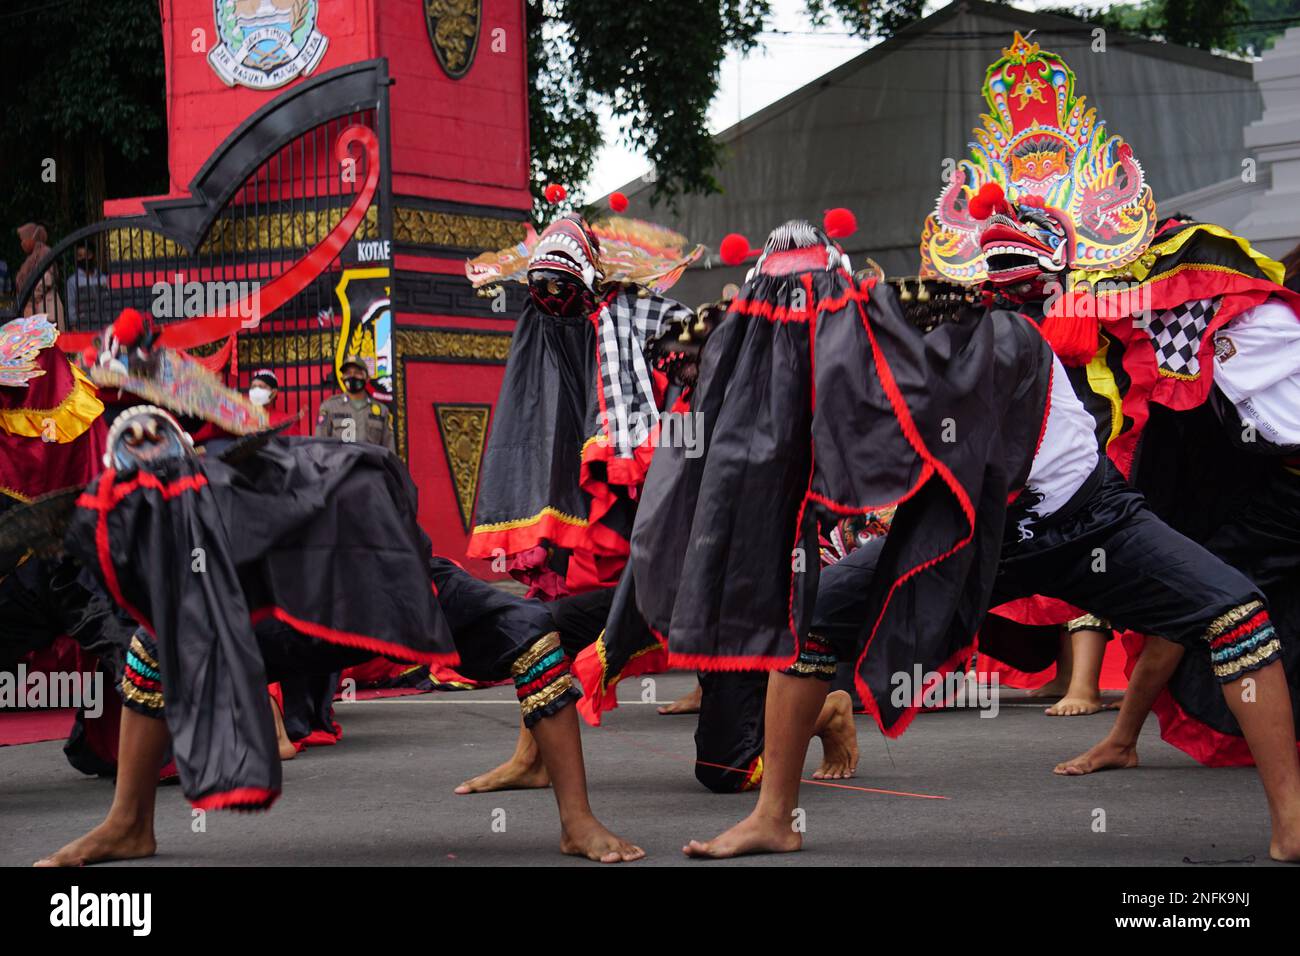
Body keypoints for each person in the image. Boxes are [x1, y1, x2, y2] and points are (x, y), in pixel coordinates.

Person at [605, 216, 1300, 862]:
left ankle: (1290, 823)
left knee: (1235, 611)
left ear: (1055, 280)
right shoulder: (934, 333)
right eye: (994, 264)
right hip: (977, 534)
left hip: (1093, 519)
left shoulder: (1025, 336)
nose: (1007, 278)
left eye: (1024, 269)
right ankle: (773, 817)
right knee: (811, 624)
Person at [315, 355, 394, 452]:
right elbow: (320, 447)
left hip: (370, 466)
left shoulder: (382, 411)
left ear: (367, 378)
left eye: (357, 373)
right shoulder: (329, 407)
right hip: (341, 467)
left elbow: (389, 451)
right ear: (342, 378)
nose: (352, 376)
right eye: (348, 373)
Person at [15, 223, 63, 327]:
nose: (22, 243)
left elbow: (47, 279)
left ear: (32, 238)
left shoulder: (44, 253)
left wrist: (30, 298)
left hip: (47, 305)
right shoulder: (32, 257)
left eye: (23, 239)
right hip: (36, 306)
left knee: (49, 340)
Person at [65, 243, 109, 329]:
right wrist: (74, 328)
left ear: (93, 255)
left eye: (87, 255)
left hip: (104, 325)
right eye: (80, 256)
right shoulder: (72, 281)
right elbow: (71, 306)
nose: (83, 258)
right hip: (84, 327)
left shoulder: (103, 278)